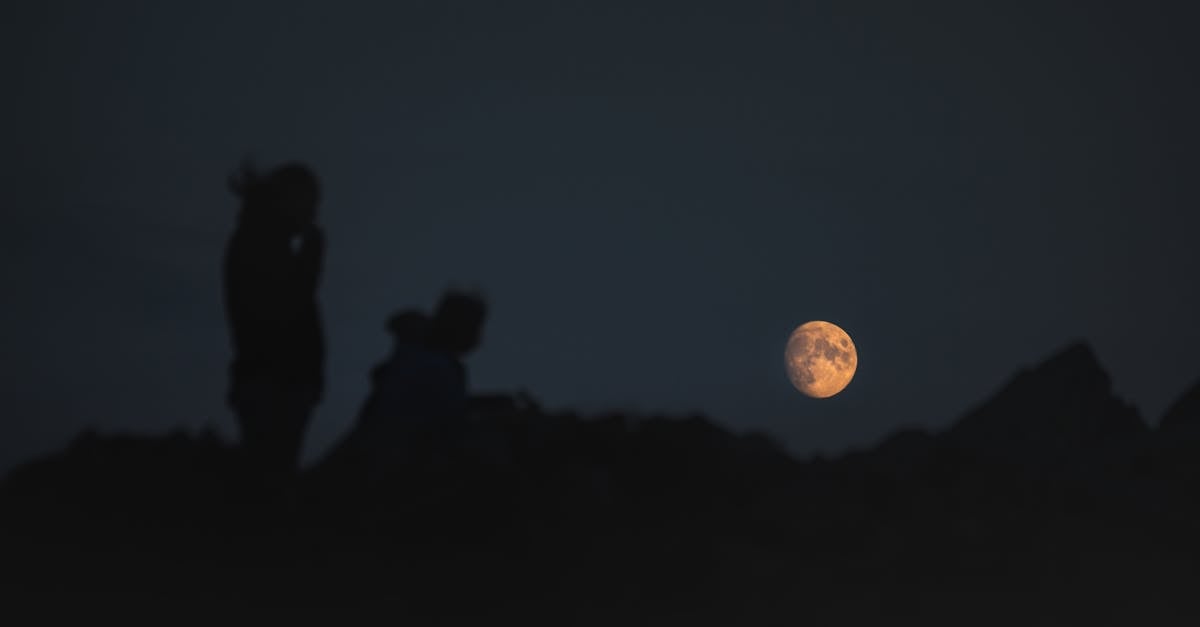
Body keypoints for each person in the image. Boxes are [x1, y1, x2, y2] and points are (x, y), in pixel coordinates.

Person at [222, 161, 325, 493]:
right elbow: (289, 303)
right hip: (273, 382)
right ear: (288, 199)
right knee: (269, 486)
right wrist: (312, 254)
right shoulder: (258, 243)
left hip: (278, 381)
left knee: (270, 481)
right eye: (309, 203)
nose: (312, 214)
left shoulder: (263, 241)